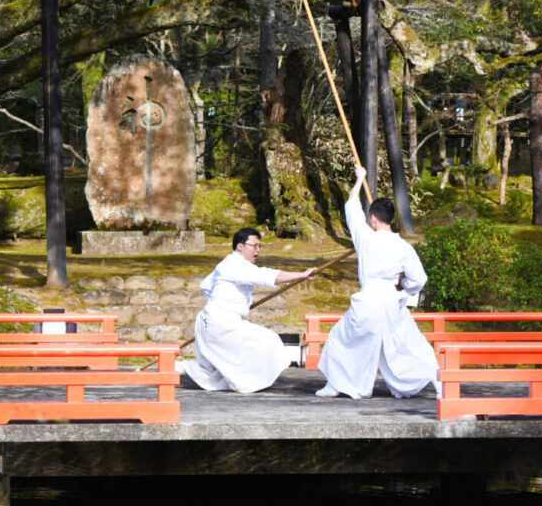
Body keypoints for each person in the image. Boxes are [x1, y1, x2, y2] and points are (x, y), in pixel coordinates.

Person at [316, 167, 439, 399]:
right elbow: (419, 279)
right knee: (406, 344)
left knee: (340, 339)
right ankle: (434, 379)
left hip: (370, 299)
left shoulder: (365, 237)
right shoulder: (403, 246)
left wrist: (360, 178)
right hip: (392, 301)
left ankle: (338, 385)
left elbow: (352, 205)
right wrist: (403, 284)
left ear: (373, 218)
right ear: (391, 220)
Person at [181, 228, 316, 393]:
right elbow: (266, 276)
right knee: (268, 340)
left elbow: (206, 285)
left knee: (216, 365)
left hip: (210, 319)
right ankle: (246, 382)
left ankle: (177, 369)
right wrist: (301, 275)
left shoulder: (226, 263)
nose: (257, 250)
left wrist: (230, 303)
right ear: (240, 247)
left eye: (259, 246)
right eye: (254, 246)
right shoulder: (235, 265)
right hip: (222, 323)